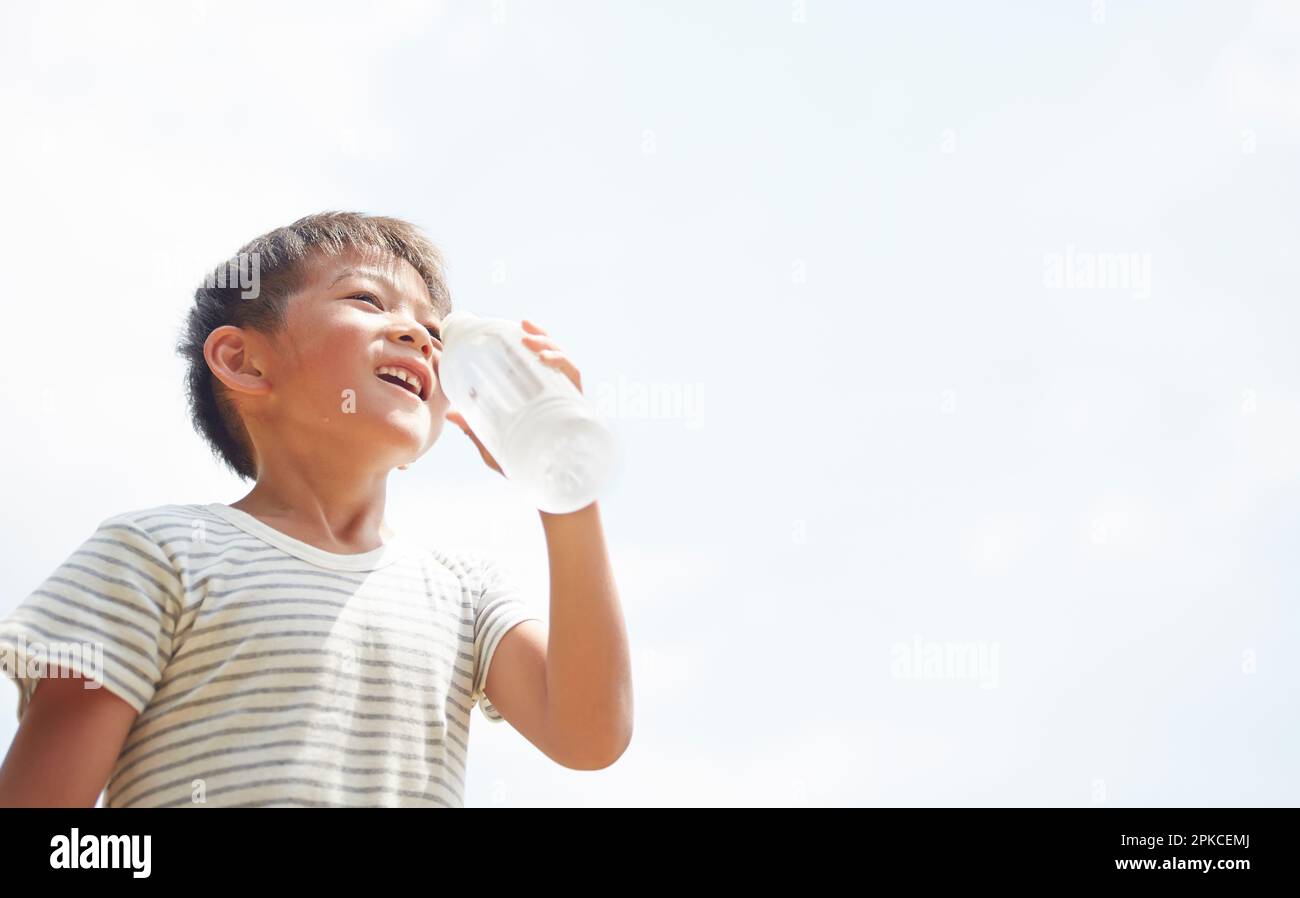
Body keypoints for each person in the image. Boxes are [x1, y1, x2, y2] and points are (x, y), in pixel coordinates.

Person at [0, 211, 632, 807]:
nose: (419, 336)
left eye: (436, 333)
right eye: (367, 300)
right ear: (243, 361)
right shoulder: (157, 555)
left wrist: (560, 473)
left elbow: (589, 733)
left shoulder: (464, 594)